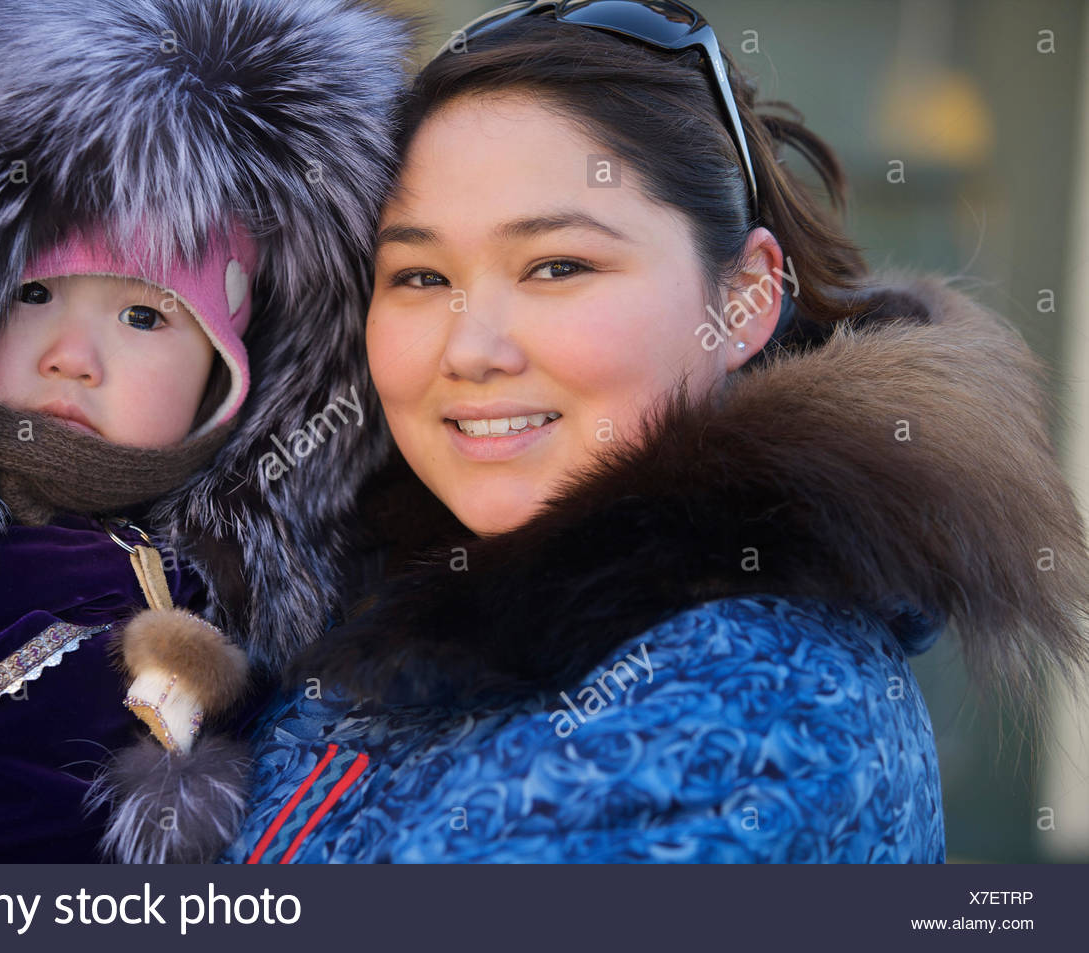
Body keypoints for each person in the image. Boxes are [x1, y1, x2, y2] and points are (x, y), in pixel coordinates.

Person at [217, 0, 1089, 863]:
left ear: (744, 296)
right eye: (417, 274)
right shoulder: (360, 581)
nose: (471, 348)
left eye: (558, 265)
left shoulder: (749, 703)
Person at [0, 0, 414, 863]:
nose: (73, 356)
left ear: (226, 379)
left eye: (144, 316)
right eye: (33, 296)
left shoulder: (245, 590)